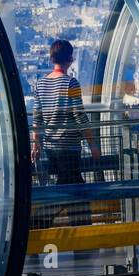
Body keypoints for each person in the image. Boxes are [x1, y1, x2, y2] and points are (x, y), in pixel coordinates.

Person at [31, 39, 100, 224]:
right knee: (70, 190)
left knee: (72, 187)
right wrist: (92, 144)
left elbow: (37, 118)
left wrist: (36, 145)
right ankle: (36, 224)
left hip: (50, 147)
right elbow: (79, 115)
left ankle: (82, 229)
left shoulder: (40, 84)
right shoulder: (71, 83)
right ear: (70, 59)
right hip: (69, 147)